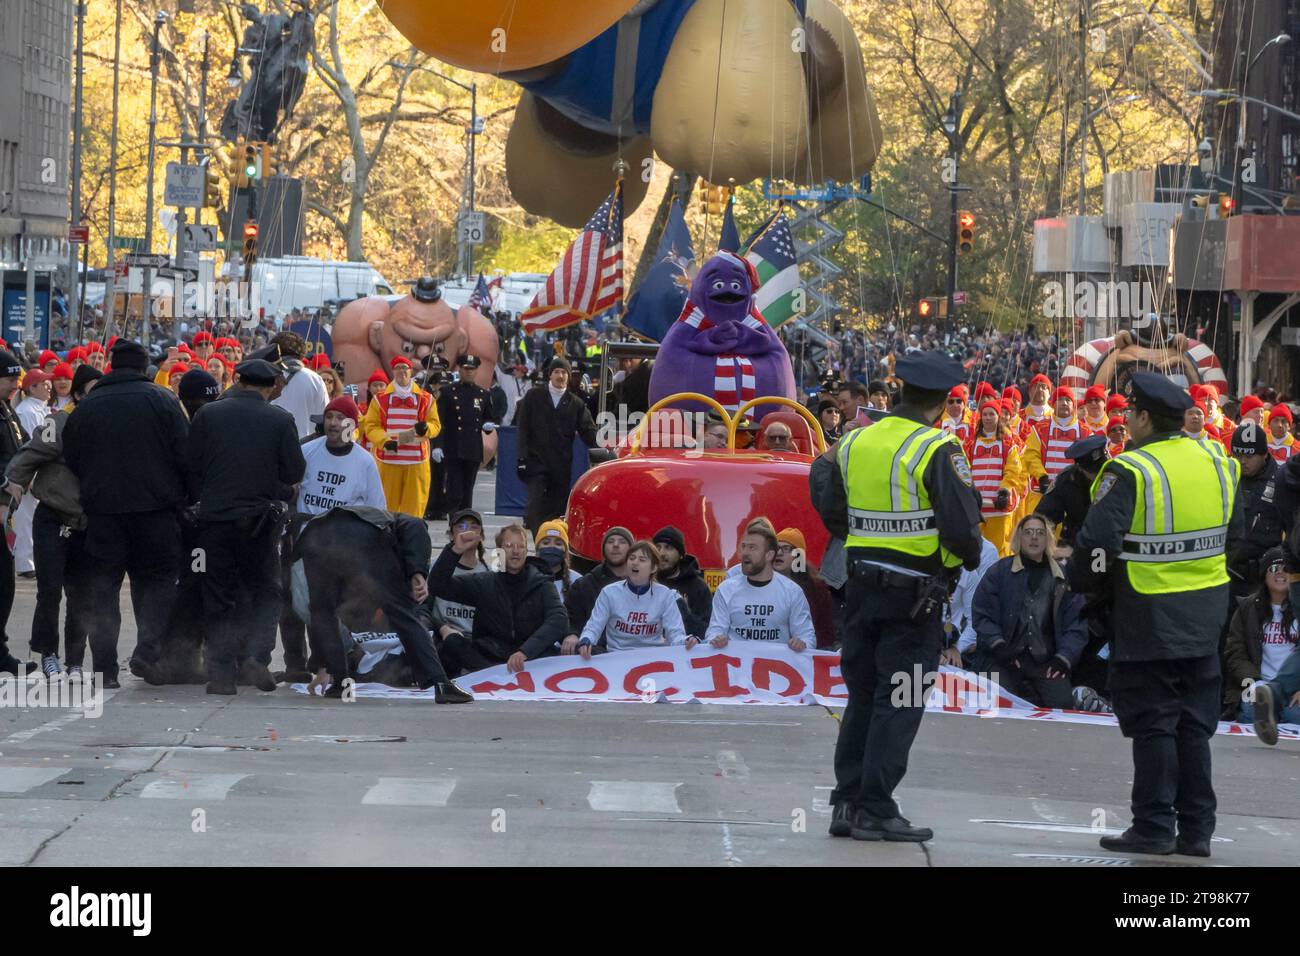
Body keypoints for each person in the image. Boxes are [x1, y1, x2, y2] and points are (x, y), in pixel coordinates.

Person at [1070, 371, 1242, 857]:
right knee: (1193, 724)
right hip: (1208, 614)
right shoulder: (1216, 459)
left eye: (1129, 413)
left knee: (1155, 723)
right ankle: (1198, 830)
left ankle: (1152, 826)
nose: (1124, 419)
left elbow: (1095, 548)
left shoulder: (1131, 470)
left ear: (1145, 418)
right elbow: (1238, 530)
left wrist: (1091, 587)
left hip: (1147, 615)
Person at [815, 350, 984, 843]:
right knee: (901, 699)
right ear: (943, 402)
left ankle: (846, 802)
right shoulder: (938, 448)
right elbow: (963, 533)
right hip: (915, 600)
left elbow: (830, 503)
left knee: (863, 697)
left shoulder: (855, 441)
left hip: (860, 590)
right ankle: (877, 807)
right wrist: (960, 562)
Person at [63, 339, 190, 688]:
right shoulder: (163, 401)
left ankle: (105, 669)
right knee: (159, 582)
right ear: (143, 366)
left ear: (112, 367)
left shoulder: (88, 406)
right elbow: (185, 454)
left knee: (103, 589)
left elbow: (70, 454)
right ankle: (147, 651)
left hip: (103, 514)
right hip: (156, 513)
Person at [188, 358, 306, 695]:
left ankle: (222, 673)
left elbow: (191, 463)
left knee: (218, 594)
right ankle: (256, 656)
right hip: (259, 523)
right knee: (267, 591)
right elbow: (294, 471)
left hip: (214, 521)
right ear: (270, 387)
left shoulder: (209, 414)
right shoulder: (280, 420)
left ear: (239, 381)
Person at [296, 505, 472, 703]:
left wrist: (324, 665)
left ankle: (340, 683)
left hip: (313, 540)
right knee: (402, 613)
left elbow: (322, 618)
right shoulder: (401, 522)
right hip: (362, 537)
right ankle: (441, 684)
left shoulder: (362, 517)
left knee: (323, 611)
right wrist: (418, 572)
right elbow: (416, 527)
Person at [4, 365, 101, 679]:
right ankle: (48, 654)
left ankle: (75, 661)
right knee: (49, 591)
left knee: (82, 594)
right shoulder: (58, 423)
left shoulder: (109, 426)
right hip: (52, 518)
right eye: (91, 392)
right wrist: (9, 493)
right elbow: (27, 457)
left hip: (88, 522)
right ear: (76, 395)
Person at [972, 514, 1087, 708]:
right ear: (1019, 538)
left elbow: (1077, 623)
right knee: (1000, 702)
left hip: (1046, 662)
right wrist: (999, 647)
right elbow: (982, 614)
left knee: (1062, 706)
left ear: (1048, 539)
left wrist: (1063, 659)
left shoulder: (1064, 578)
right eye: (1028, 533)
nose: (1034, 538)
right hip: (1003, 659)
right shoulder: (999, 572)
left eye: (1040, 533)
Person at [431, 523, 569, 676]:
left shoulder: (542, 583)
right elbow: (438, 586)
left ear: (526, 551)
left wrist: (525, 652)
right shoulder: (484, 582)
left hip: (529, 660)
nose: (515, 551)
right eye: (509, 546)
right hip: (488, 660)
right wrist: (455, 551)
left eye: (521, 546)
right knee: (452, 642)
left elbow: (559, 619)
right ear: (498, 551)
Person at [694, 519, 815, 651]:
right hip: (735, 669)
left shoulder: (792, 591)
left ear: (769, 555)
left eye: (752, 548)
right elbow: (714, 630)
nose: (745, 552)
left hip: (776, 669)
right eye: (744, 546)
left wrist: (802, 644)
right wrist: (716, 639)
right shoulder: (726, 589)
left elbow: (807, 636)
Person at [516, 357, 597, 533]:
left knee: (557, 509)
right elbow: (523, 429)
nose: (560, 376)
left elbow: (588, 431)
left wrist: (604, 448)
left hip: (561, 465)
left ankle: (551, 544)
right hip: (536, 462)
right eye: (557, 372)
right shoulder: (534, 396)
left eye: (564, 372)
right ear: (550, 375)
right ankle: (538, 538)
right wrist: (522, 458)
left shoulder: (576, 403)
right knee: (535, 505)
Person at [1223, 547, 1300, 725]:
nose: (1280, 573)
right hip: (1258, 687)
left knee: (1295, 717)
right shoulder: (1247, 609)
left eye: (1286, 569)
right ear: (1264, 575)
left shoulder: (1299, 607)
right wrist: (1254, 683)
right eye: (1273, 569)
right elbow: (1235, 653)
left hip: (1293, 689)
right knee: (1250, 716)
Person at [577, 540, 688, 654]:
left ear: (654, 568)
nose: (635, 563)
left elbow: (675, 632)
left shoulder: (665, 595)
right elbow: (594, 626)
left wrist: (686, 641)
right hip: (617, 656)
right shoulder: (609, 592)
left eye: (642, 560)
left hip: (653, 658)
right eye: (631, 558)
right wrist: (586, 639)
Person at [363, 356, 441, 517]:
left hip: (417, 461)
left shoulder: (426, 399)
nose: (401, 371)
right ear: (393, 372)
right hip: (388, 460)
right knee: (386, 508)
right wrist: (384, 442)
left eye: (404, 368)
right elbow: (371, 426)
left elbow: (436, 425)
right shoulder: (380, 399)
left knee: (414, 510)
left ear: (411, 371)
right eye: (398, 368)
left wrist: (426, 428)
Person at [1226, 422, 1283, 610]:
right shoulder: (1224, 476)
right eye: (1238, 455)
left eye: (1249, 456)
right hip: (1226, 576)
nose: (1242, 461)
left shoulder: (1282, 483)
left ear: (1264, 455)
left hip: (1262, 581)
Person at [435, 354, 499, 514]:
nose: (469, 372)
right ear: (460, 369)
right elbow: (439, 422)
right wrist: (437, 446)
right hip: (453, 447)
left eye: (472, 369)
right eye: (465, 369)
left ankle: (464, 526)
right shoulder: (448, 392)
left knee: (467, 491)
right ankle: (454, 527)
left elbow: (488, 418)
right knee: (454, 491)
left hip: (472, 448)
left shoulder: (483, 394)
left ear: (477, 371)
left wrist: (488, 426)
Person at [964, 397, 1024, 556]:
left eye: (992, 414)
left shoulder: (1008, 443)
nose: (988, 418)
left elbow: (1013, 471)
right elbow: (963, 470)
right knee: (974, 551)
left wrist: (1005, 491)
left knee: (999, 551)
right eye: (985, 414)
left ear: (999, 417)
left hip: (999, 507)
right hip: (977, 507)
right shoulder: (970, 443)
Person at [424, 509, 492, 650]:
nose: (467, 531)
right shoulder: (434, 566)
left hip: (474, 641)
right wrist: (442, 628)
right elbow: (421, 607)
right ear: (451, 535)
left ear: (481, 535)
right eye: (461, 526)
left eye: (474, 527)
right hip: (440, 636)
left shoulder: (489, 573)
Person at [1034, 435, 1109, 553]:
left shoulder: (1115, 476)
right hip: (1073, 541)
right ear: (1080, 468)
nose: (1098, 475)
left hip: (1107, 543)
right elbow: (1044, 516)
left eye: (1101, 469)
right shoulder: (1067, 479)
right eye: (1093, 472)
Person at [13, 369, 54, 578]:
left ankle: (32, 560)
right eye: (43, 383)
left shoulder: (43, 409)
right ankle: (25, 562)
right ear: (32, 388)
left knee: (34, 518)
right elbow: (28, 445)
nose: (49, 386)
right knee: (25, 518)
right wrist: (28, 474)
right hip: (30, 473)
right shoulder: (27, 411)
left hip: (41, 472)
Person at [774, 527, 836, 649]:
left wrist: (806, 644)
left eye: (786, 548)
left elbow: (825, 634)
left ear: (799, 556)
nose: (779, 553)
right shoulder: (762, 584)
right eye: (776, 548)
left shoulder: (817, 589)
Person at [566, 526, 633, 635]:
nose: (616, 545)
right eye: (610, 541)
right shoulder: (583, 585)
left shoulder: (642, 585)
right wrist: (572, 634)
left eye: (622, 542)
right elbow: (570, 619)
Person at [652, 525, 713, 639]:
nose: (661, 553)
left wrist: (684, 613)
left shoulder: (698, 587)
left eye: (668, 547)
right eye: (658, 547)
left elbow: (707, 632)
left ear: (681, 555)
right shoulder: (645, 583)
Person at [266, 331, 329, 440]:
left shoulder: (266, 374)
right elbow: (324, 416)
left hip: (270, 444)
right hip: (305, 447)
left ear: (274, 351)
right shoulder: (315, 379)